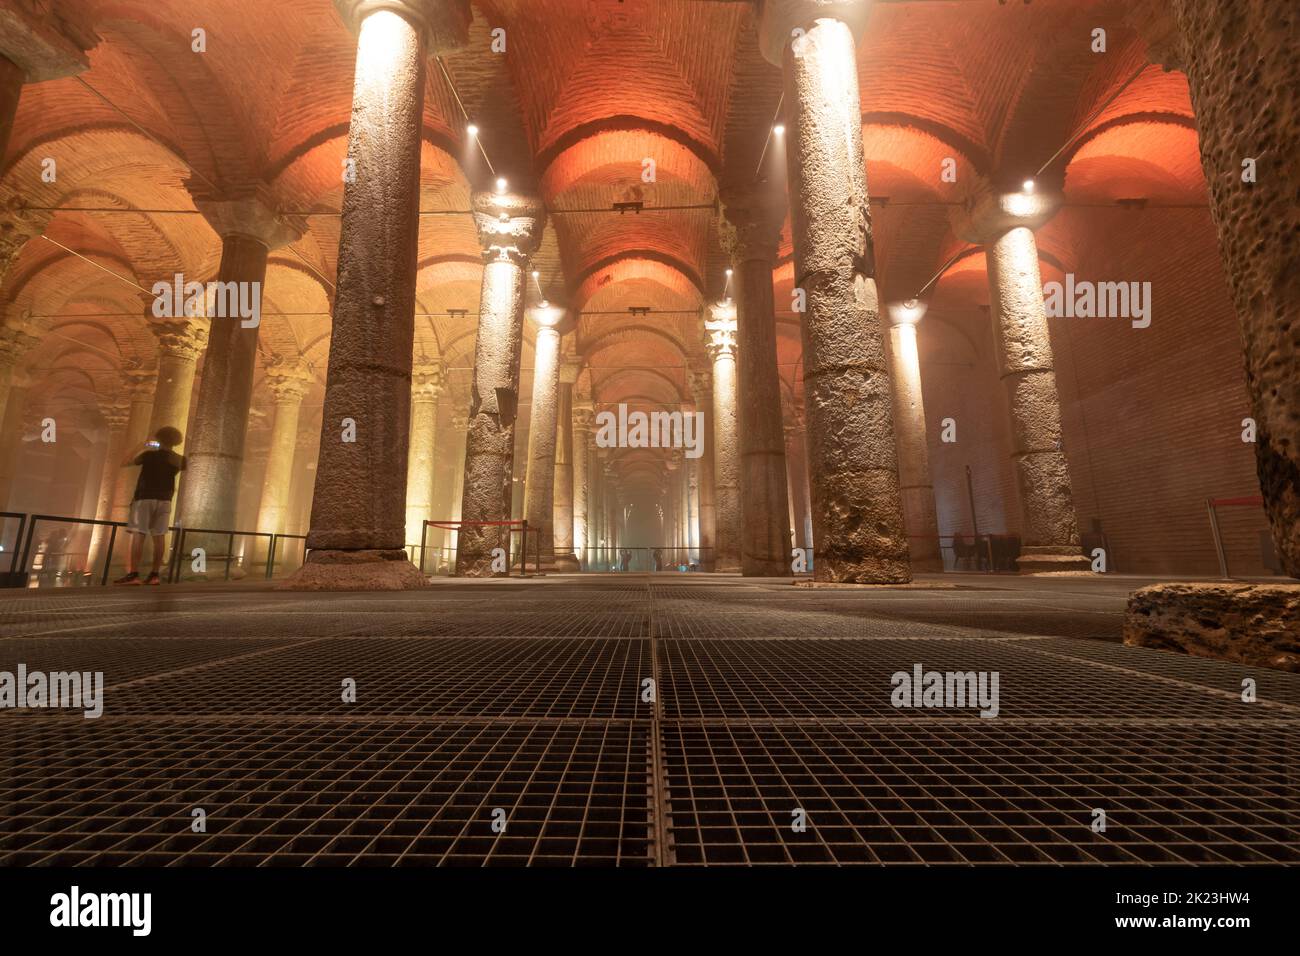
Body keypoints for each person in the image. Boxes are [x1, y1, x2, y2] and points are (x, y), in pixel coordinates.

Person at [113, 426, 186, 585]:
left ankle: (134, 575)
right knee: (159, 537)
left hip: (144, 498)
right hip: (165, 499)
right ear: (175, 441)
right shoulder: (179, 459)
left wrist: (140, 446)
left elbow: (124, 463)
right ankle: (155, 575)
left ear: (159, 439)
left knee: (139, 535)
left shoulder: (148, 456)